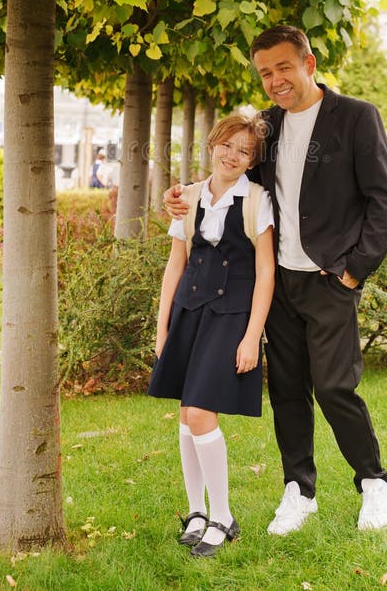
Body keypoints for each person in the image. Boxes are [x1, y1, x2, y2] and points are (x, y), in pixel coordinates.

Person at [165, 25, 387, 536]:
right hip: (275, 286)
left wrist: (354, 270)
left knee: (335, 386)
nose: (275, 80)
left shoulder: (356, 118)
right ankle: (299, 490)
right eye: (265, 73)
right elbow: (230, 178)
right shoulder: (266, 127)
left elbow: (384, 200)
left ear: (309, 64)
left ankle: (375, 483)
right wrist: (181, 196)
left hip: (329, 278)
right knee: (288, 389)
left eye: (283, 68)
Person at [148, 113, 275, 557]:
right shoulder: (187, 196)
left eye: (244, 152)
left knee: (201, 412)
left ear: (252, 161)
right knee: (186, 414)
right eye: (227, 146)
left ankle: (222, 515)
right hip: (188, 311)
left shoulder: (258, 200)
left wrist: (252, 334)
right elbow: (175, 265)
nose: (233, 156)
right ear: (212, 144)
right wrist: (162, 328)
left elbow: (265, 271)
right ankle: (196, 510)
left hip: (231, 317)